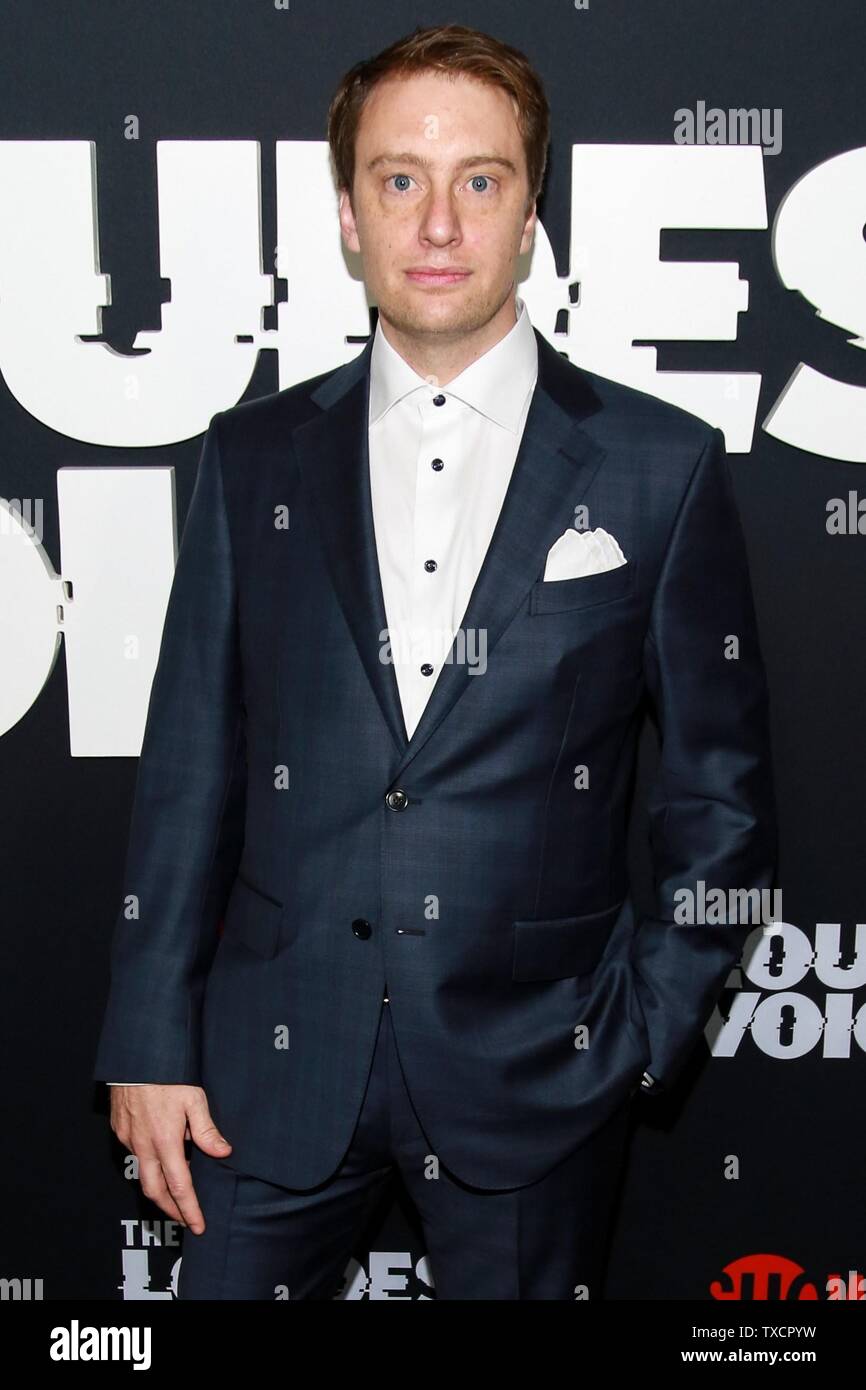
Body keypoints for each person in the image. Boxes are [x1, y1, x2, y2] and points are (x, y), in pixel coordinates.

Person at [93, 23, 776, 1300]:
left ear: (530, 216)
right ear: (348, 216)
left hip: (536, 1073)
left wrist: (631, 1037)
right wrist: (147, 1039)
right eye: (399, 179)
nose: (441, 222)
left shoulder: (656, 466)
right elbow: (192, 770)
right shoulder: (251, 460)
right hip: (265, 1069)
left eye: (483, 179)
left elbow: (718, 802)